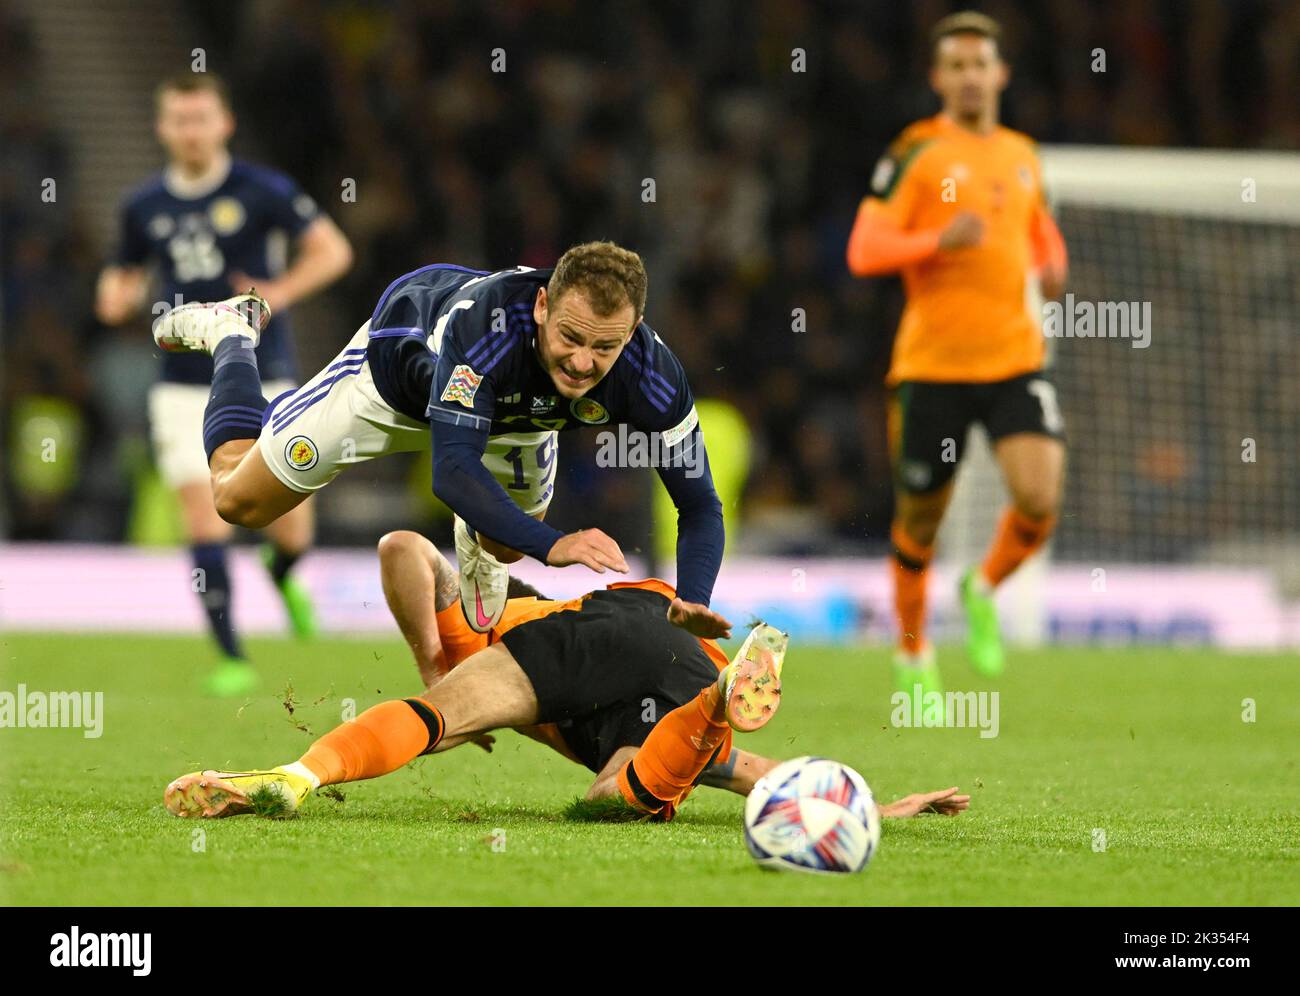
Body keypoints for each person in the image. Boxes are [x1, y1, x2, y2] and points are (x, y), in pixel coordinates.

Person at [165, 530, 970, 823]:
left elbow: (400, 549)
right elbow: (768, 774)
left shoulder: (492, 628)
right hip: (675, 655)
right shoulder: (519, 638)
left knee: (434, 716)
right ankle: (716, 708)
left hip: (604, 630)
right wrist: (880, 808)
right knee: (623, 791)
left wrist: (439, 667)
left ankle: (297, 778)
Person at [152, 242, 730, 640]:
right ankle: (230, 333)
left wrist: (694, 597)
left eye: (604, 347)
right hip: (392, 382)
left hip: (514, 421)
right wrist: (554, 544)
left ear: (631, 334)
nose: (582, 363)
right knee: (236, 501)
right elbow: (450, 469)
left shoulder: (653, 374)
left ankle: (481, 535)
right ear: (543, 304)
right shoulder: (487, 330)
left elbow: (699, 503)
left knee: (505, 544)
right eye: (570, 338)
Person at [95, 72, 353, 696]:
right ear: (163, 127)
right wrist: (116, 297)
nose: (190, 131)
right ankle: (231, 656)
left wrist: (278, 295)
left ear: (224, 123)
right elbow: (117, 281)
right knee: (204, 513)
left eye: (200, 118)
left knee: (291, 524)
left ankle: (284, 568)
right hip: (184, 385)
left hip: (269, 374)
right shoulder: (143, 206)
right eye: (179, 120)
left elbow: (332, 250)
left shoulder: (263, 191)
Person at [846, 11, 1069, 701]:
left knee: (1039, 496)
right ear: (938, 77)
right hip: (933, 370)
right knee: (920, 522)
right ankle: (914, 659)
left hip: (1013, 362)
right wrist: (936, 240)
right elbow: (864, 250)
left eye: (982, 64)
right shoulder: (917, 153)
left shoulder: (1022, 153)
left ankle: (984, 584)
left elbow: (1038, 234)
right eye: (957, 65)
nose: (971, 76)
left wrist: (1054, 261)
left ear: (1000, 74)